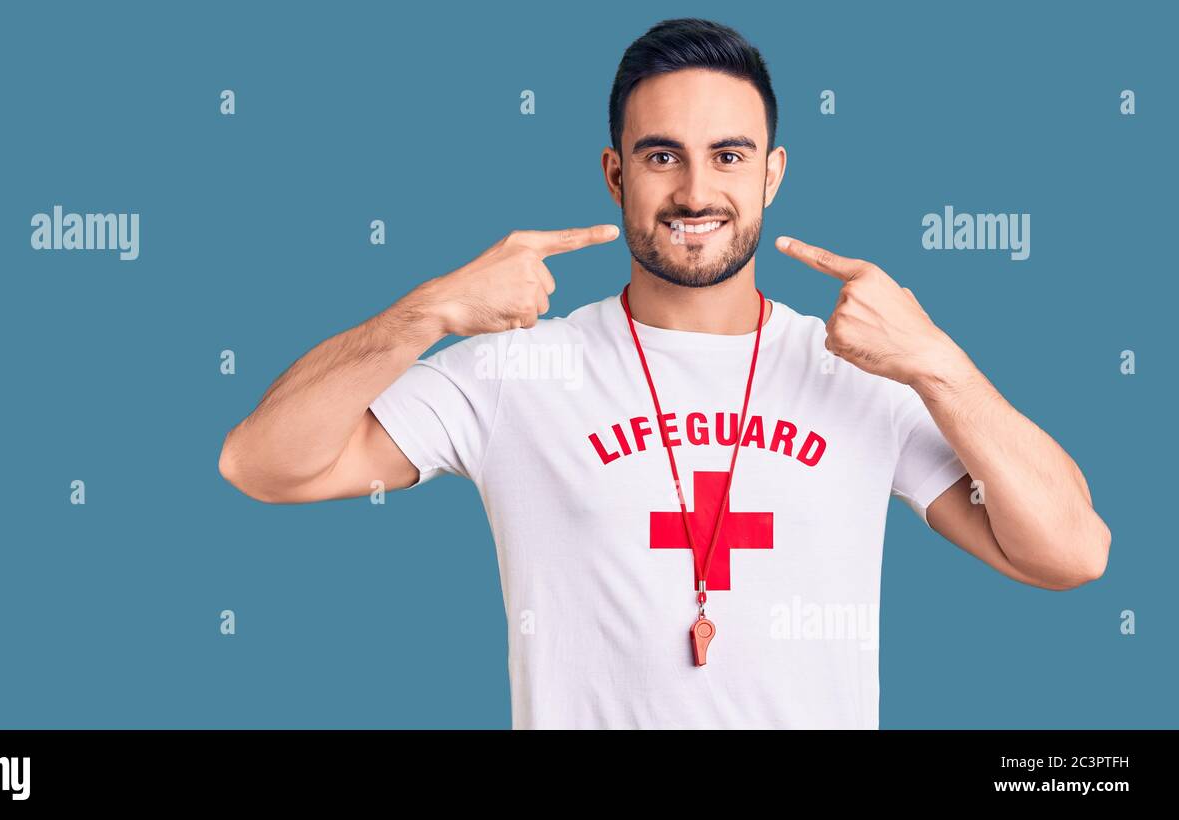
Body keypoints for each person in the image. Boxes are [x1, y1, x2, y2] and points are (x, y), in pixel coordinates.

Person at [218, 18, 1110, 729]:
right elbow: (262, 464)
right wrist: (429, 312)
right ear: (615, 175)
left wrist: (938, 365)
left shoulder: (864, 376)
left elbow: (1072, 554)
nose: (694, 192)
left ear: (772, 174)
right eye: (660, 155)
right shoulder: (517, 372)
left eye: (728, 155)